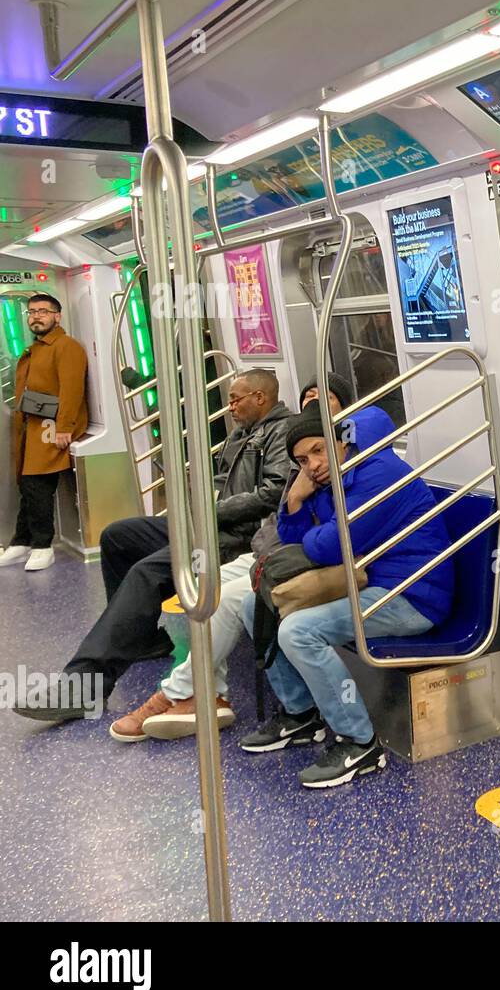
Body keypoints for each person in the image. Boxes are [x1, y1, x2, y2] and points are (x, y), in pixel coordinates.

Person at [14, 368, 293, 723]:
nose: (230, 406)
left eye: (237, 399)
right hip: (210, 523)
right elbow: (223, 482)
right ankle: (146, 638)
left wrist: (208, 512)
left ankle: (84, 686)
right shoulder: (241, 435)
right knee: (117, 536)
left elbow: (272, 493)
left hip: (236, 537)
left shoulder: (282, 432)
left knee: (147, 573)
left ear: (261, 398)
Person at [108, 375, 359, 742]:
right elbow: (284, 526)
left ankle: (176, 693)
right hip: (273, 551)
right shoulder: (301, 457)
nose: (313, 403)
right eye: (308, 396)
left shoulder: (347, 461)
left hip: (297, 559)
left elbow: (322, 540)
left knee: (228, 600)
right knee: (204, 586)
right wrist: (292, 505)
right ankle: (208, 691)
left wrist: (287, 506)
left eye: (326, 398)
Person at [236, 406, 454, 789]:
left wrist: (315, 532)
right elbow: (296, 538)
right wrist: (294, 501)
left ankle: (361, 742)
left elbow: (332, 546)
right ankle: (301, 714)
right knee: (251, 603)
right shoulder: (331, 478)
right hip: (369, 584)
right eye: (302, 460)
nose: (313, 465)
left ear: (343, 441)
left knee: (298, 632)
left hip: (412, 594)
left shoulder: (377, 473)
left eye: (319, 451)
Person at [0, 293, 88, 572]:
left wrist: (65, 428)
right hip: (33, 426)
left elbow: (72, 389)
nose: (36, 316)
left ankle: (41, 545)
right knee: (28, 485)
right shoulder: (37, 348)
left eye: (43, 311)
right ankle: (21, 541)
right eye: (32, 312)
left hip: (51, 428)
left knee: (38, 487)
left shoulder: (66, 347)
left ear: (57, 316)